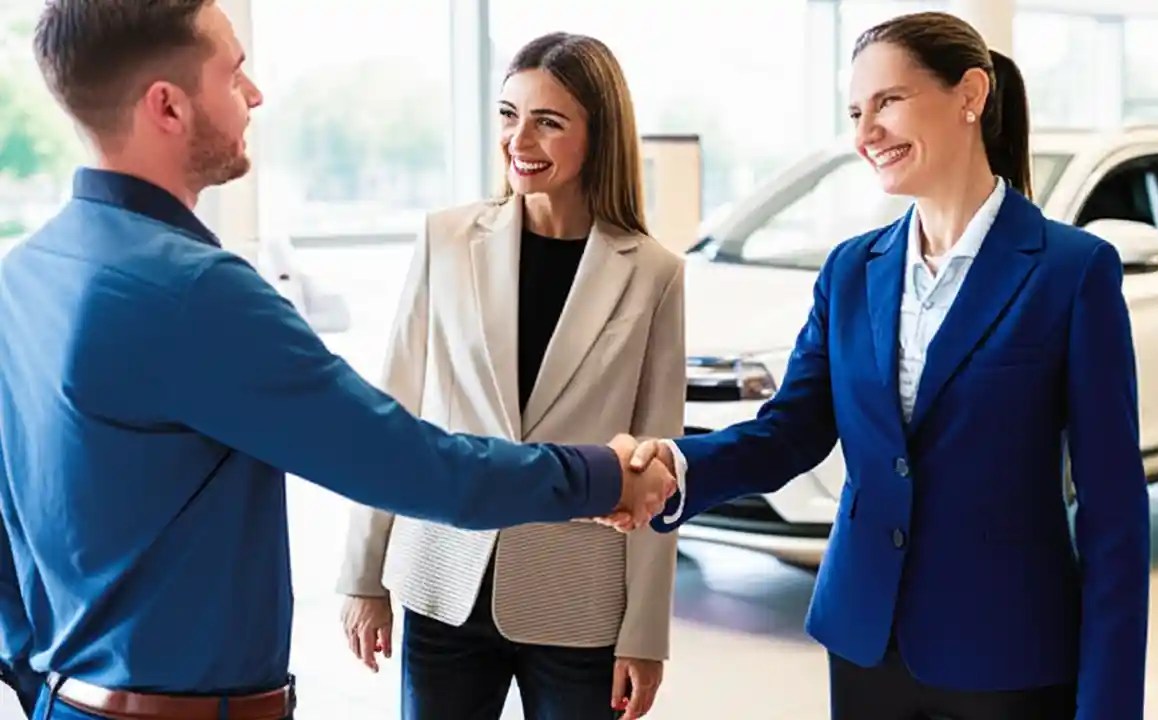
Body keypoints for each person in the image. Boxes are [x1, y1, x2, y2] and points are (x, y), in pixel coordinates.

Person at [0, 3, 674, 720]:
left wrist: (38, 682)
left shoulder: (26, 272)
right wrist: (604, 476)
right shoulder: (200, 292)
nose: (255, 93)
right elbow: (407, 460)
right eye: (233, 73)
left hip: (67, 700)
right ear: (167, 106)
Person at [623, 11, 1151, 720]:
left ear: (970, 95)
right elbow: (791, 432)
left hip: (1008, 652)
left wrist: (1111, 707)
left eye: (888, 102)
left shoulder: (1072, 271)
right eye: (855, 112)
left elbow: (1115, 513)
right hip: (866, 640)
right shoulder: (851, 271)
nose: (865, 133)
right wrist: (677, 467)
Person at [337, 32, 683, 720]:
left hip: (578, 601)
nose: (518, 139)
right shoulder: (445, 240)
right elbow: (391, 412)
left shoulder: (652, 273)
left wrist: (645, 635)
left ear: (599, 136)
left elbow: (658, 464)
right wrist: (362, 574)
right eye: (508, 114)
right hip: (442, 580)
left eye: (548, 121)